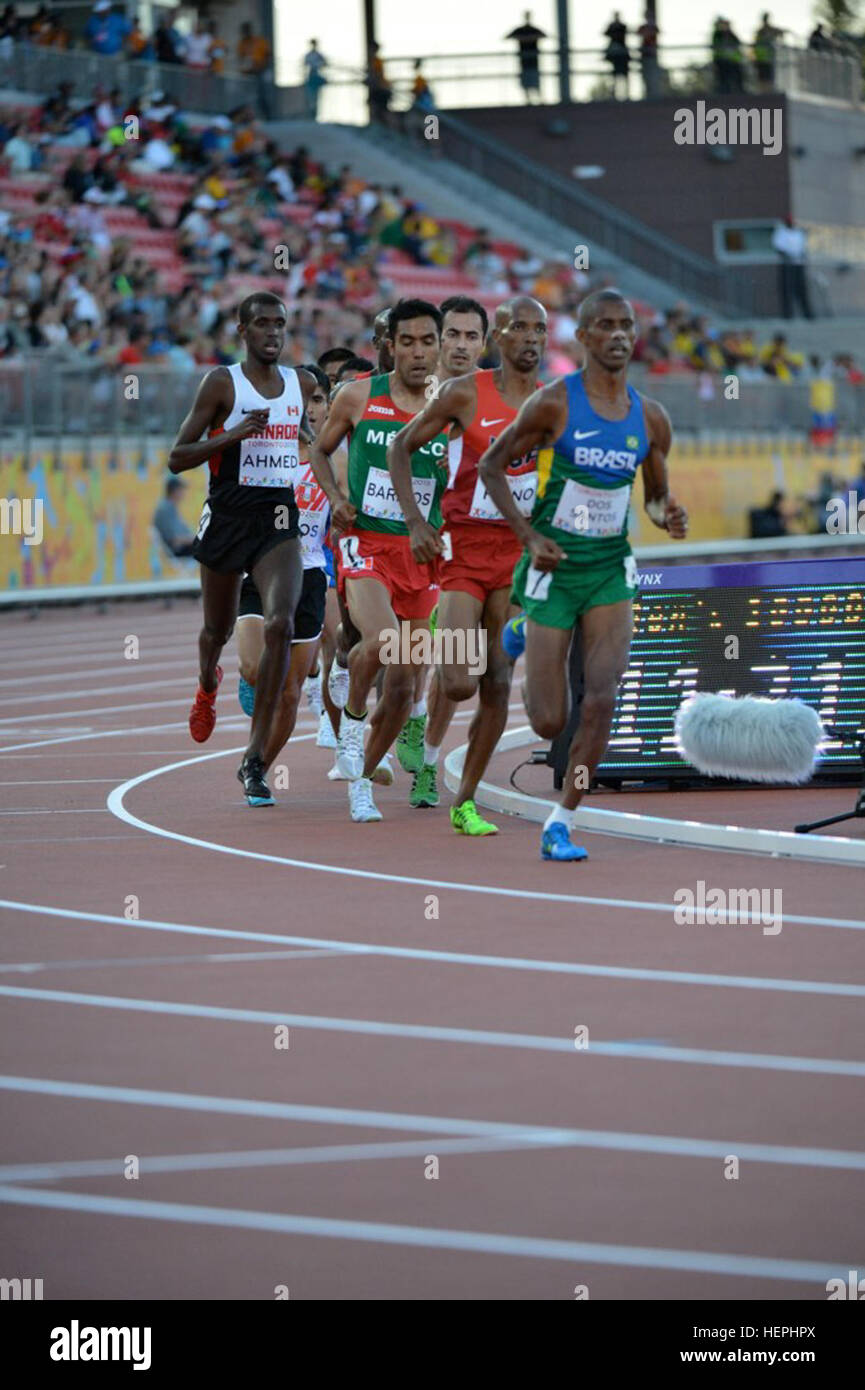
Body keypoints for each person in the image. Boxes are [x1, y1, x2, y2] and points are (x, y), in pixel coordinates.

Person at [479, 289, 688, 861]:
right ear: (586, 337)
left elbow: (653, 497)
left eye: (627, 325)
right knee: (550, 723)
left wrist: (665, 513)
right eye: (606, 326)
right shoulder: (553, 405)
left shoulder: (651, 417)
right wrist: (528, 537)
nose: (619, 335)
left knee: (601, 698)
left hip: (609, 571)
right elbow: (490, 467)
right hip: (553, 567)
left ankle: (563, 819)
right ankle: (519, 634)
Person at [390, 297, 546, 831]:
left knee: (498, 684)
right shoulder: (464, 394)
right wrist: (415, 523)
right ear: (498, 339)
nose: (529, 338)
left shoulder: (553, 404)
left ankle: (466, 801)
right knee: (458, 681)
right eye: (518, 328)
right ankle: (451, 644)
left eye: (538, 330)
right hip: (463, 548)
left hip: (516, 553)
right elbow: (400, 449)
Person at [168, 292, 316, 807]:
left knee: (281, 623)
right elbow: (177, 457)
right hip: (227, 518)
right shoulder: (222, 383)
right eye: (262, 324)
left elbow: (311, 436)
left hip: (278, 520)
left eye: (280, 324)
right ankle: (207, 682)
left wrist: (308, 437)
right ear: (242, 330)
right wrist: (231, 435)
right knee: (218, 629)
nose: (273, 332)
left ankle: (255, 757)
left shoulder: (303, 384)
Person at [308, 299, 449, 822]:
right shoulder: (358, 396)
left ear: (438, 347)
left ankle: (362, 780)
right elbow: (320, 452)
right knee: (382, 641)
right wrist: (337, 498)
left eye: (426, 341)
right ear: (389, 345)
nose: (417, 351)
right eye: (406, 341)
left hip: (422, 556)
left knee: (406, 685)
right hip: (365, 544)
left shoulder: (450, 407)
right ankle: (350, 723)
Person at [235, 363, 332, 757]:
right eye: (301, 400)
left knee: (290, 695)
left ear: (328, 406)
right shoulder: (261, 449)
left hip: (310, 573)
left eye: (318, 400)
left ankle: (256, 769)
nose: (309, 408)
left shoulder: (337, 461)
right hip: (262, 571)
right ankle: (250, 673)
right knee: (258, 671)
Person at [771, 215, 814, 320]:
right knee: (787, 290)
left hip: (798, 265)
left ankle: (807, 314)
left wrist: (801, 255)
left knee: (801, 289)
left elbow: (803, 248)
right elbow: (779, 248)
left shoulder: (798, 233)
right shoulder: (781, 233)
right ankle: (788, 315)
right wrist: (789, 256)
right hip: (787, 266)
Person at [506, 11, 546, 104]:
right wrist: (525, 38)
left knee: (535, 83)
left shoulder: (533, 29)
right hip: (524, 62)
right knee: (527, 84)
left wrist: (527, 38)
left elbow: (544, 35)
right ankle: (529, 101)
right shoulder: (520, 30)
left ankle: (540, 101)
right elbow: (507, 37)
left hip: (533, 62)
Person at [153, 475, 195, 558]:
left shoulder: (169, 507)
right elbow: (174, 540)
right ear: (175, 491)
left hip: (182, 547)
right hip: (178, 550)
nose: (184, 493)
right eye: (182, 489)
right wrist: (196, 540)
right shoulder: (165, 508)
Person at [711, 18, 744, 94]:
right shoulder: (717, 34)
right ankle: (724, 92)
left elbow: (738, 43)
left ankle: (739, 92)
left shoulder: (732, 35)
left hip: (734, 60)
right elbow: (716, 45)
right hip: (721, 60)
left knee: (737, 77)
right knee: (723, 79)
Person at [604, 12, 631, 99]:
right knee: (614, 75)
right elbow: (605, 33)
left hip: (622, 54)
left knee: (625, 74)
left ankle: (626, 94)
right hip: (615, 55)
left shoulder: (622, 26)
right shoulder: (612, 26)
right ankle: (613, 93)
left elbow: (625, 32)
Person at [753, 13, 781, 91]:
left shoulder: (767, 29)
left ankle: (768, 90)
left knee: (768, 77)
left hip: (767, 59)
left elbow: (779, 32)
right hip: (762, 59)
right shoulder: (761, 31)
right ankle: (764, 91)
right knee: (763, 78)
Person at [636, 10, 661, 98]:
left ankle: (654, 94)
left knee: (653, 75)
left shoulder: (654, 27)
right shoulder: (643, 27)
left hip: (652, 55)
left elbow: (656, 34)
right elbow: (638, 34)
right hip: (644, 54)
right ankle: (647, 94)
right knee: (645, 75)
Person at [303, 40, 327, 120]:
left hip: (316, 77)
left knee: (317, 97)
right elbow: (305, 64)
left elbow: (325, 64)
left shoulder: (319, 55)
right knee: (310, 97)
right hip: (311, 77)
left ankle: (316, 114)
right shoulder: (308, 55)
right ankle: (311, 115)